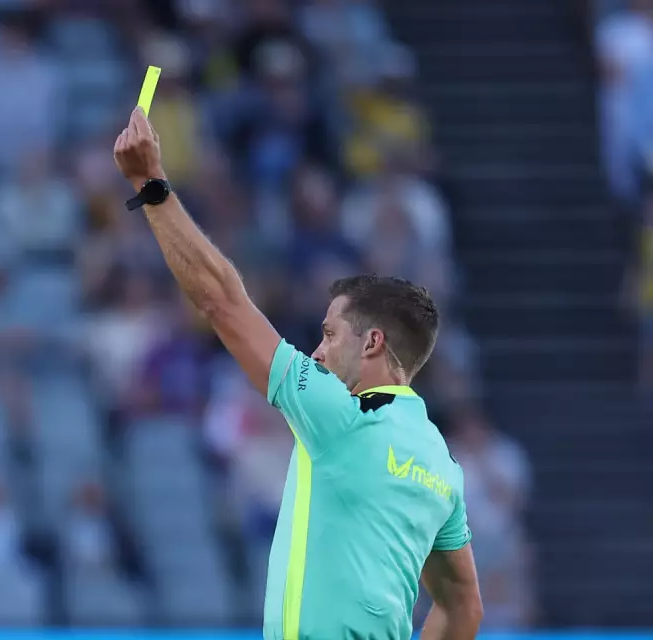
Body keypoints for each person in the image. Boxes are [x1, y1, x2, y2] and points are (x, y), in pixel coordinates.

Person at [113, 107, 482, 640]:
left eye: (331, 335)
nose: (317, 352)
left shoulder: (342, 417)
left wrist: (150, 184)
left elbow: (221, 302)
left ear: (373, 343)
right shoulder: (440, 463)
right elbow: (463, 606)